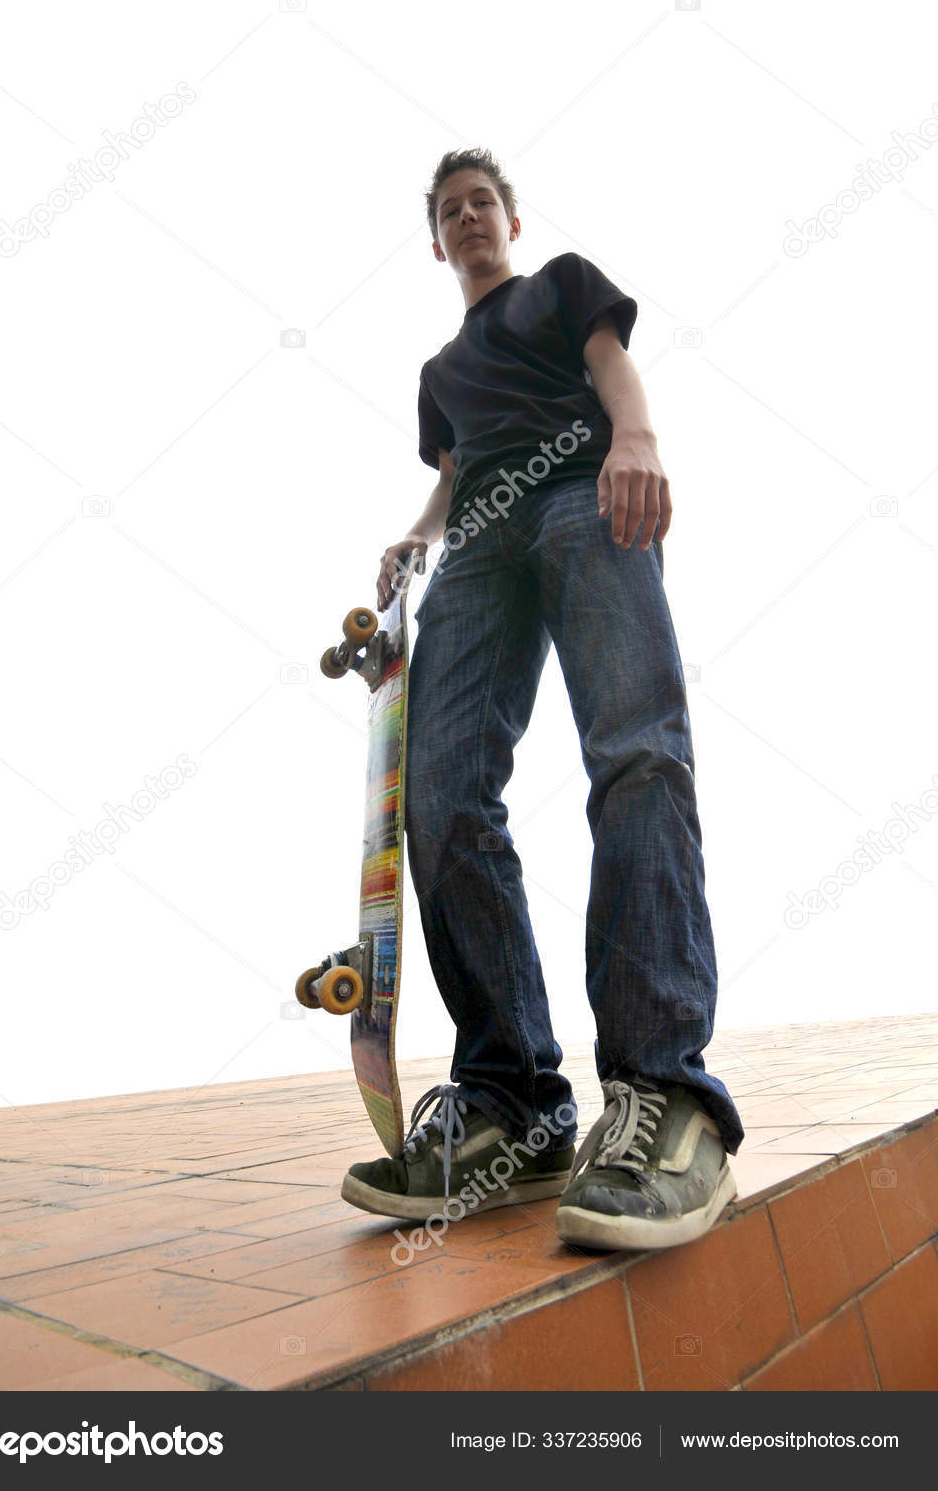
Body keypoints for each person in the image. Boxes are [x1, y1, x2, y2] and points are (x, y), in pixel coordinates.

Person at [341, 147, 744, 1251]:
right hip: (477, 547)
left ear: (508, 219)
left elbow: (609, 362)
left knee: (635, 753)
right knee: (443, 798)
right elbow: (458, 470)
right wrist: (415, 537)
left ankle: (665, 1094)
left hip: (581, 494)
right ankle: (515, 1105)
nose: (468, 218)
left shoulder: (559, 283)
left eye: (482, 203)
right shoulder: (439, 368)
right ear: (435, 241)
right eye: (449, 211)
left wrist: (638, 438)